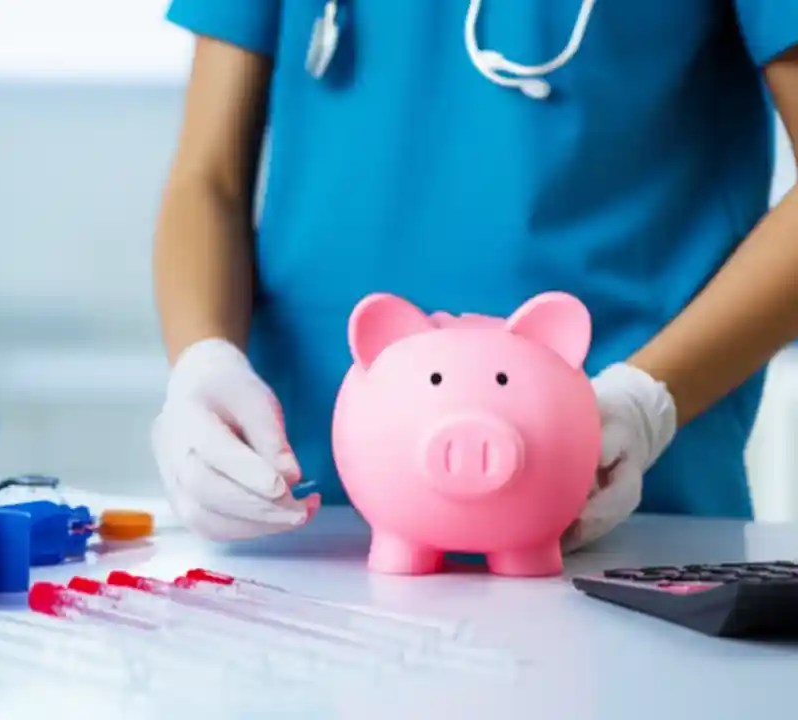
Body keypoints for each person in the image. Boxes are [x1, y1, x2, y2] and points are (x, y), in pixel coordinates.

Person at [151, 0, 798, 548]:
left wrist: (647, 399)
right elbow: (208, 180)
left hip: (625, 522)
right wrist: (205, 363)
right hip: (304, 520)